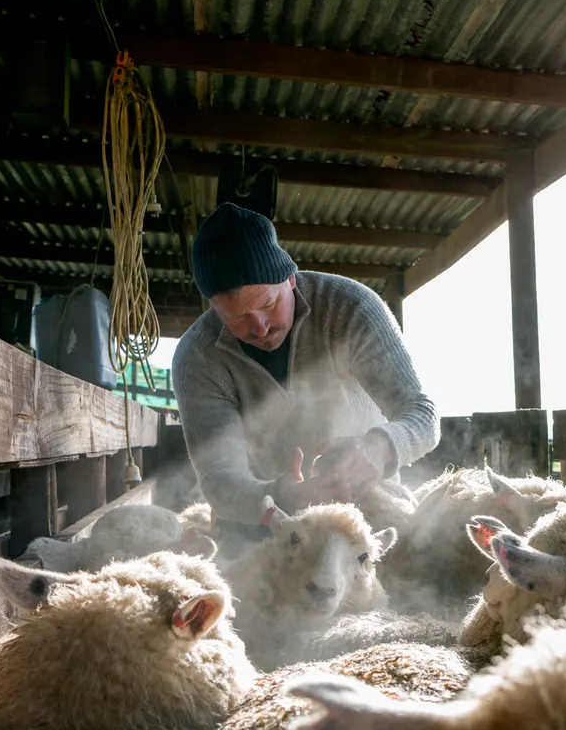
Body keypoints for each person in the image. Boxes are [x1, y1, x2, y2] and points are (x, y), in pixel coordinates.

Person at [171, 202, 439, 545]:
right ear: (213, 307)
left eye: (268, 304)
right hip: (266, 523)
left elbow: (421, 413)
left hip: (370, 511)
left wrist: (381, 445)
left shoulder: (350, 308)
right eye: (236, 317)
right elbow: (220, 479)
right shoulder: (197, 358)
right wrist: (281, 496)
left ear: (290, 279)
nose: (261, 327)